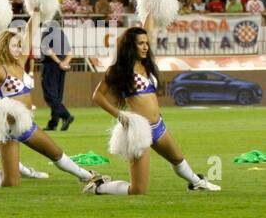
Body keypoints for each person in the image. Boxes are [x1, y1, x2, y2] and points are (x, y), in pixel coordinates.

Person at [84, 20, 220, 196]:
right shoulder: (118, 70)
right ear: (130, 46)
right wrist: (120, 115)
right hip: (139, 131)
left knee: (178, 159)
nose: (146, 47)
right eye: (141, 43)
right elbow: (97, 96)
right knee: (138, 190)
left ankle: (197, 182)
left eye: (147, 43)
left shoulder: (146, 65)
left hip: (158, 126)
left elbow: (148, 25)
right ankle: (99, 186)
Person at [0, 12, 100, 188]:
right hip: (9, 127)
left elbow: (30, 30)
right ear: (4, 47)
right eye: (15, 46)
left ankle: (86, 175)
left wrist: (36, 7)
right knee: (10, 183)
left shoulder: (20, 64)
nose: (19, 49)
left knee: (56, 153)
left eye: (20, 45)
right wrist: (6, 114)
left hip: (26, 124)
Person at [40, 20, 73, 131]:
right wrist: (64, 63)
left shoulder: (47, 32)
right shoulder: (61, 33)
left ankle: (66, 115)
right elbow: (70, 52)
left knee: (50, 95)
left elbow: (47, 50)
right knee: (57, 97)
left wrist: (59, 62)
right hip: (61, 68)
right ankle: (53, 123)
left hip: (51, 66)